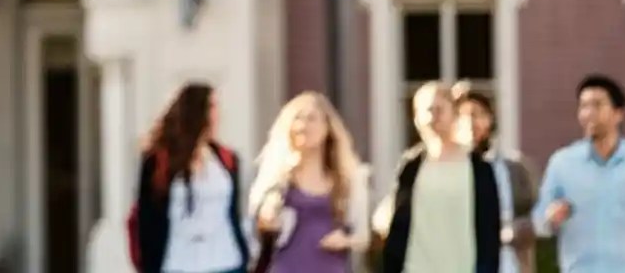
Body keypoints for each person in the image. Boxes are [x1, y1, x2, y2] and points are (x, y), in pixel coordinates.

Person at [532, 74, 625, 272]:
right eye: (583, 106)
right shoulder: (562, 163)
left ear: (618, 113)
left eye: (597, 105)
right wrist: (551, 217)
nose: (588, 113)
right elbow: (539, 223)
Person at [374, 82, 501, 273]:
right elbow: (396, 228)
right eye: (427, 110)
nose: (433, 116)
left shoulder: (479, 169)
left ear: (455, 113)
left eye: (439, 109)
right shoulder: (411, 167)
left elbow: (489, 232)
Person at [248, 92, 369, 273]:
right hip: (286, 266)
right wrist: (266, 218)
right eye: (297, 119)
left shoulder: (347, 180)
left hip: (330, 267)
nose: (303, 125)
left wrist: (345, 240)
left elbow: (363, 237)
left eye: (311, 119)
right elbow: (255, 225)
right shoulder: (278, 178)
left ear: (327, 127)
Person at [134, 83, 249, 273]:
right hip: (178, 263)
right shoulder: (158, 160)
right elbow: (146, 219)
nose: (217, 113)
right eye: (211, 106)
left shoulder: (226, 159)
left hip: (227, 261)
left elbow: (233, 214)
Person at [453, 82, 537, 273]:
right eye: (461, 116)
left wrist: (518, 231)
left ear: (490, 119)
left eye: (476, 114)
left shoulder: (513, 168)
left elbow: (533, 220)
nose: (469, 123)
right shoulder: (439, 170)